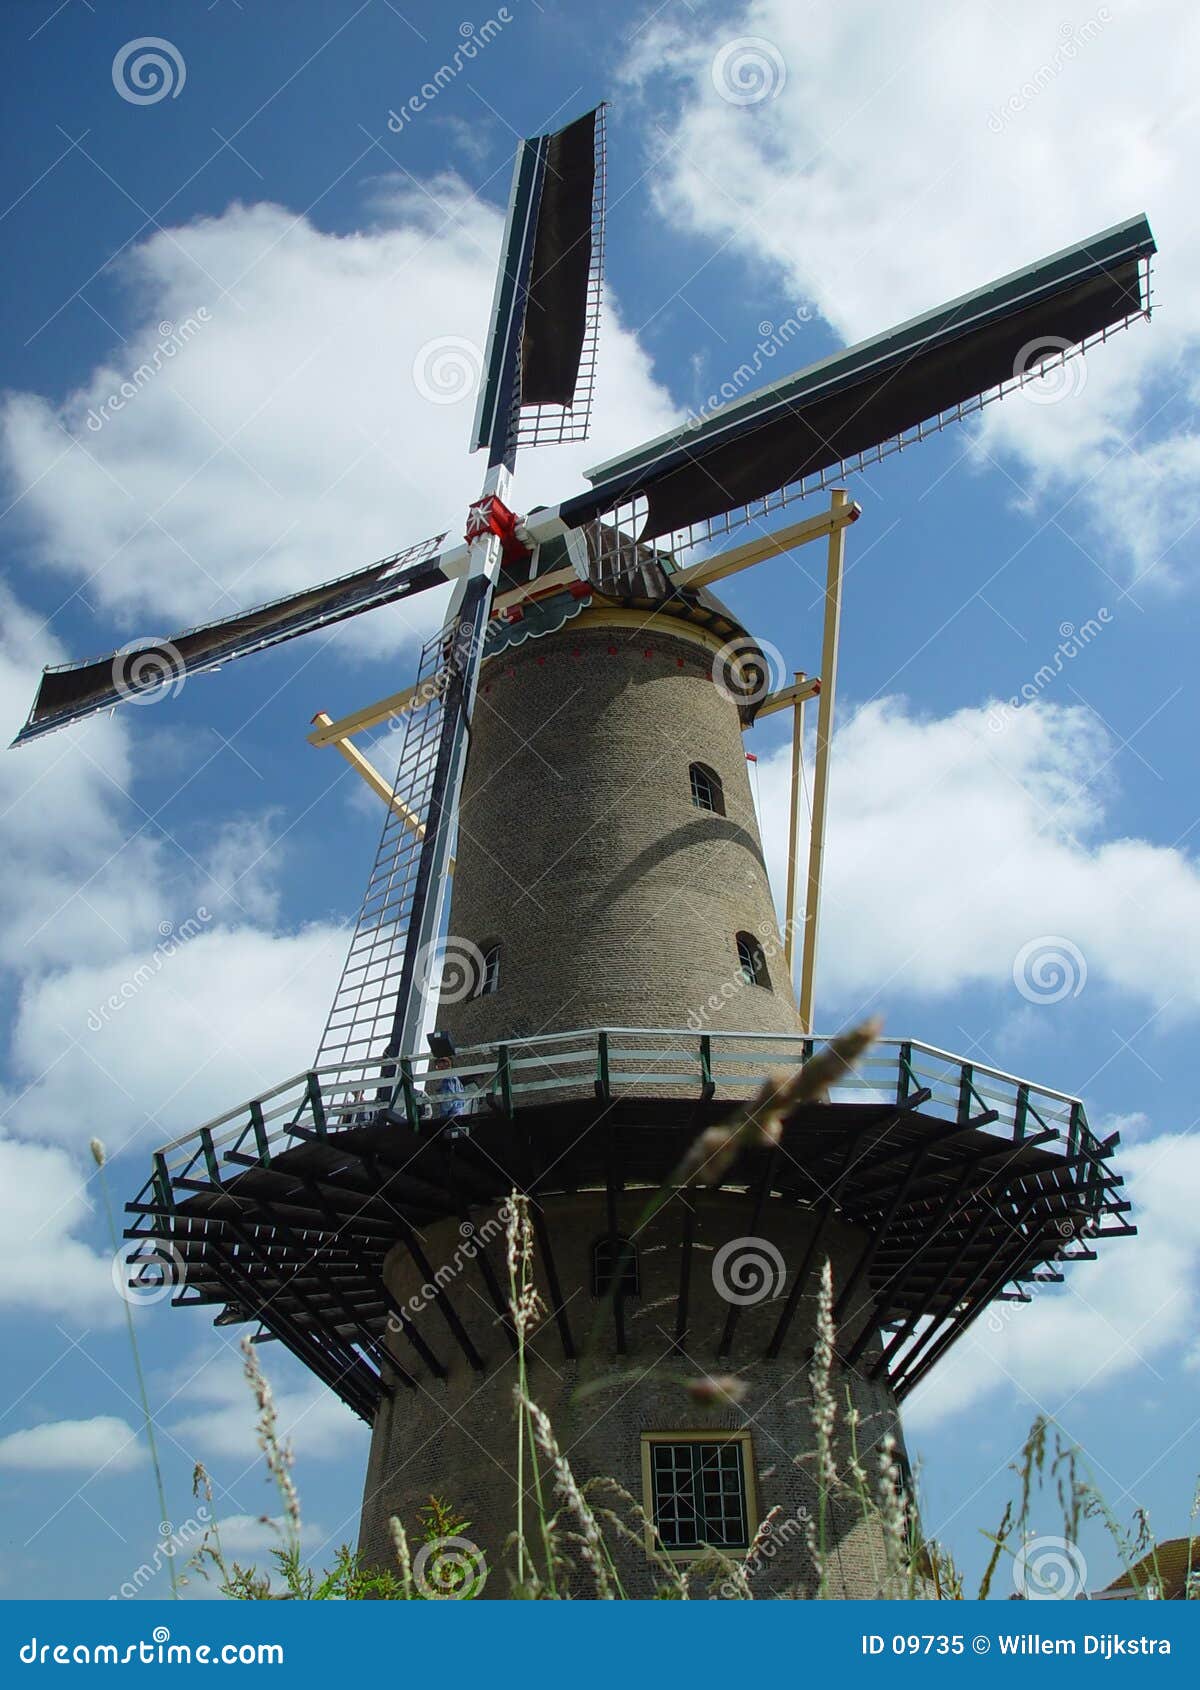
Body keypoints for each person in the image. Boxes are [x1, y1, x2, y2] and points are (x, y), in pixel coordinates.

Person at [424, 1055, 468, 1135]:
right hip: (458, 1116)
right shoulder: (456, 1080)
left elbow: (448, 1104)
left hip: (449, 1118)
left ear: (447, 1064)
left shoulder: (447, 1081)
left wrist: (442, 1112)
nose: (437, 1068)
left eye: (439, 1065)